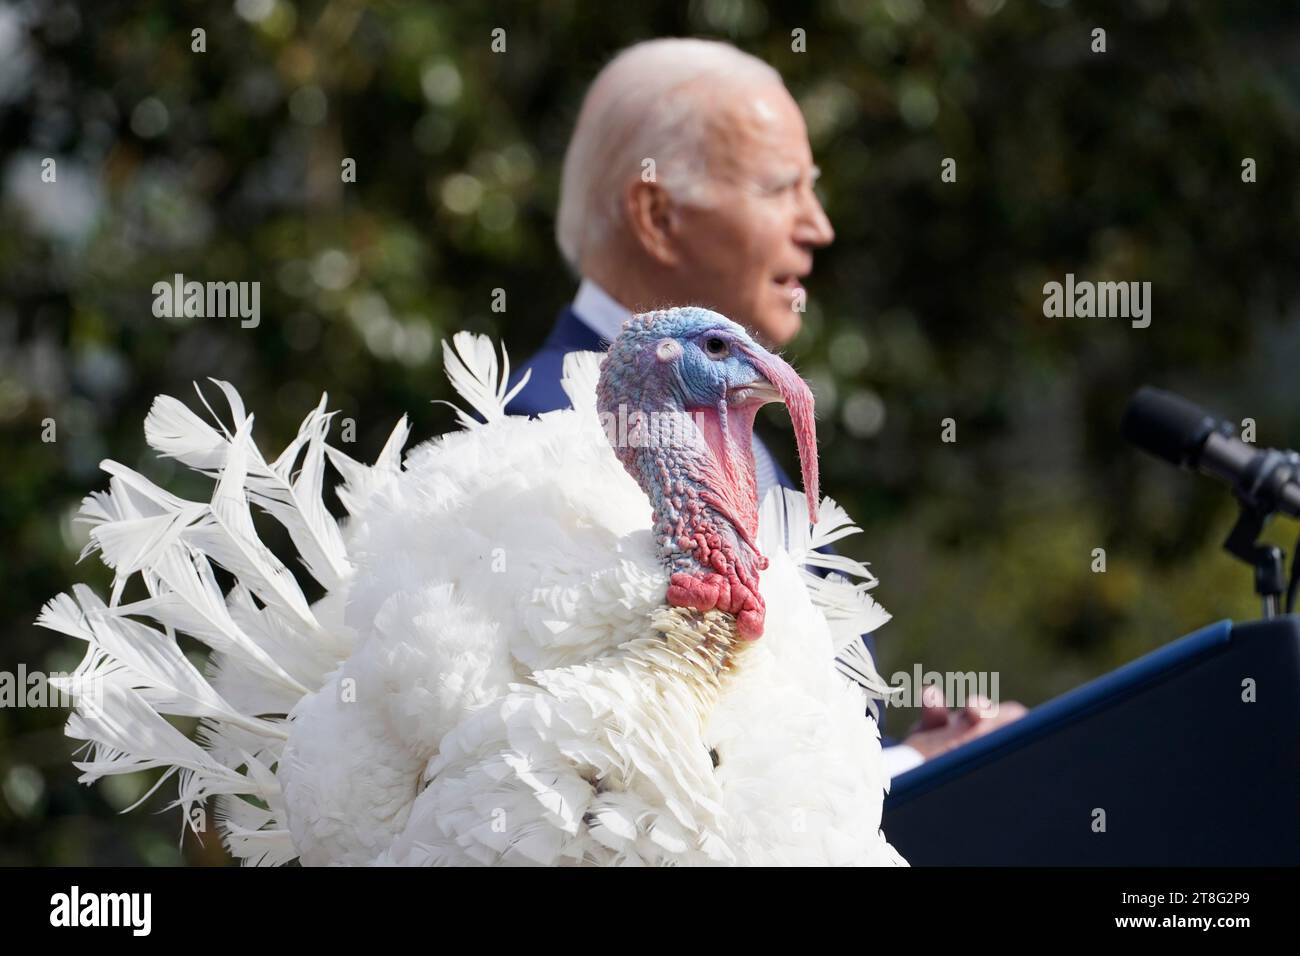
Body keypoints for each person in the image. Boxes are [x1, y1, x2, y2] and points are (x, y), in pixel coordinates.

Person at [505, 38, 1026, 775]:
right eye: (782, 189)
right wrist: (907, 770)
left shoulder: (720, 420)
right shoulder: (548, 432)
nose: (818, 227)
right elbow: (618, 795)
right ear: (657, 215)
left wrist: (909, 757)